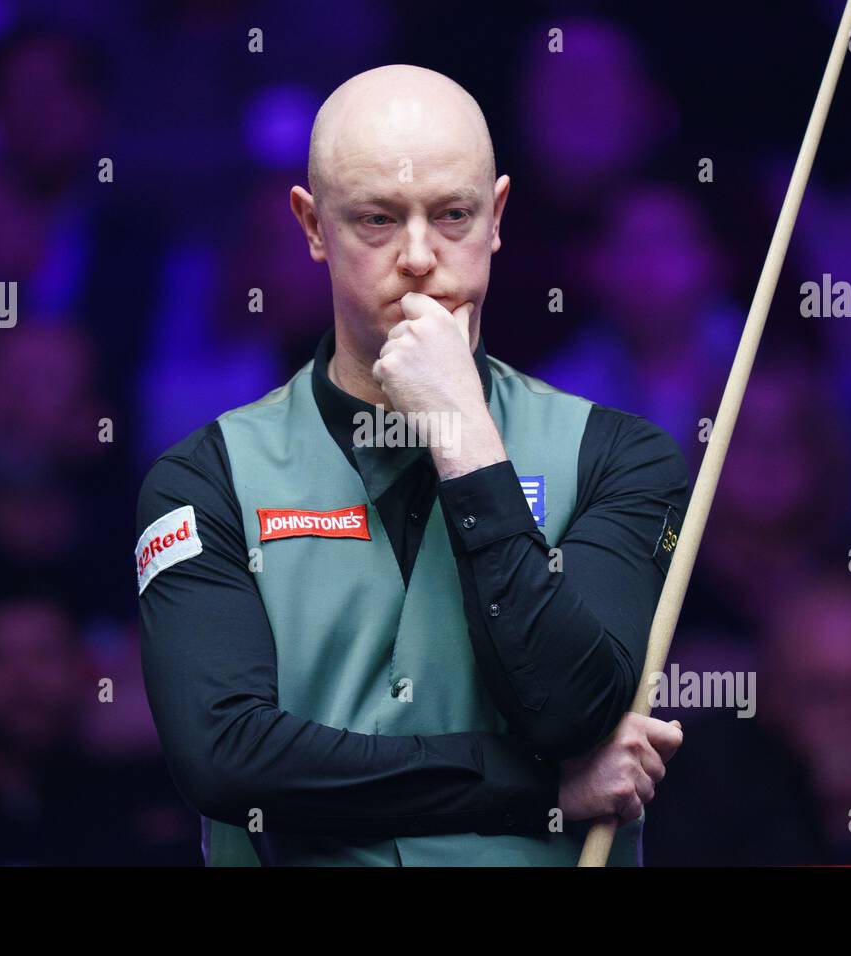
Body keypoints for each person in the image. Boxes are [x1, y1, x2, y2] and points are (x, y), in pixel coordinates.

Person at [137, 65, 687, 866]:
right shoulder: (204, 479)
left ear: (497, 216)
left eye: (454, 215)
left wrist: (462, 434)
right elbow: (227, 760)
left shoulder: (619, 457)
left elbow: (573, 712)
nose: (421, 257)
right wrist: (534, 791)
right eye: (377, 220)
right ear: (313, 225)